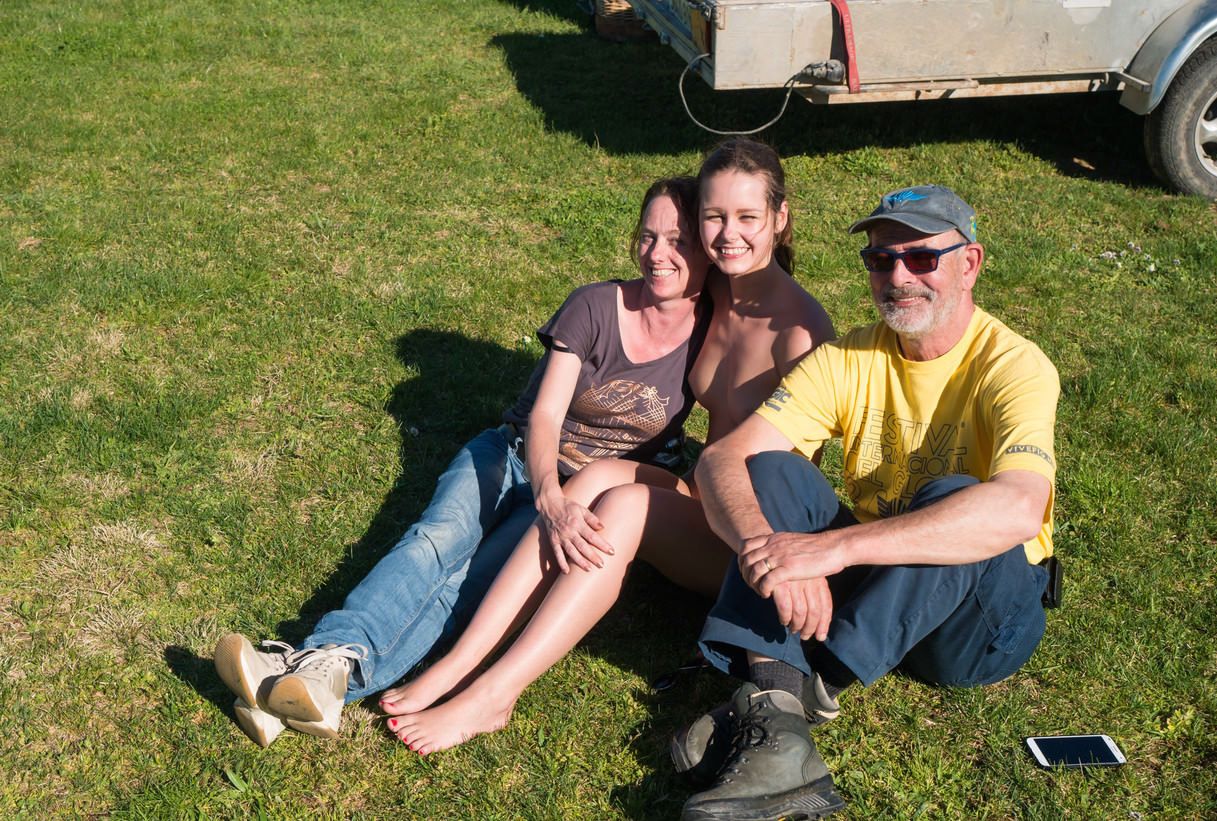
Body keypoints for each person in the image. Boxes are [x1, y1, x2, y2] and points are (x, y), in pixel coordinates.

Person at [213, 175, 715, 746]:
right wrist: (551, 499)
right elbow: (545, 418)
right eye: (647, 237)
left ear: (704, 246)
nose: (658, 254)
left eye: (676, 240)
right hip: (516, 457)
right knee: (437, 540)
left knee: (470, 584)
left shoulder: (710, 336)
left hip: (591, 493)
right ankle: (325, 666)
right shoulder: (596, 305)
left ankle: (309, 681)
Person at [380, 138, 836, 755]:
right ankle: (457, 663)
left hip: (747, 538)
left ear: (780, 220)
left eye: (748, 217)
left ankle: (497, 694)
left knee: (619, 508)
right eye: (715, 216)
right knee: (592, 480)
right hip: (704, 493)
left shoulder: (800, 330)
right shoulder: (717, 296)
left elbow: (791, 488)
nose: (729, 234)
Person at [675, 185, 1060, 821]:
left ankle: (802, 681)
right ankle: (778, 715)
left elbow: (1017, 510)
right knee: (769, 467)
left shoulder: (1015, 366)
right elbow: (720, 460)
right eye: (881, 260)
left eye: (921, 259)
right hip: (880, 588)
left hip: (978, 623)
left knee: (960, 497)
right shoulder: (849, 356)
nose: (898, 276)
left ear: (971, 263)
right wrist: (762, 550)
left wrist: (828, 549)